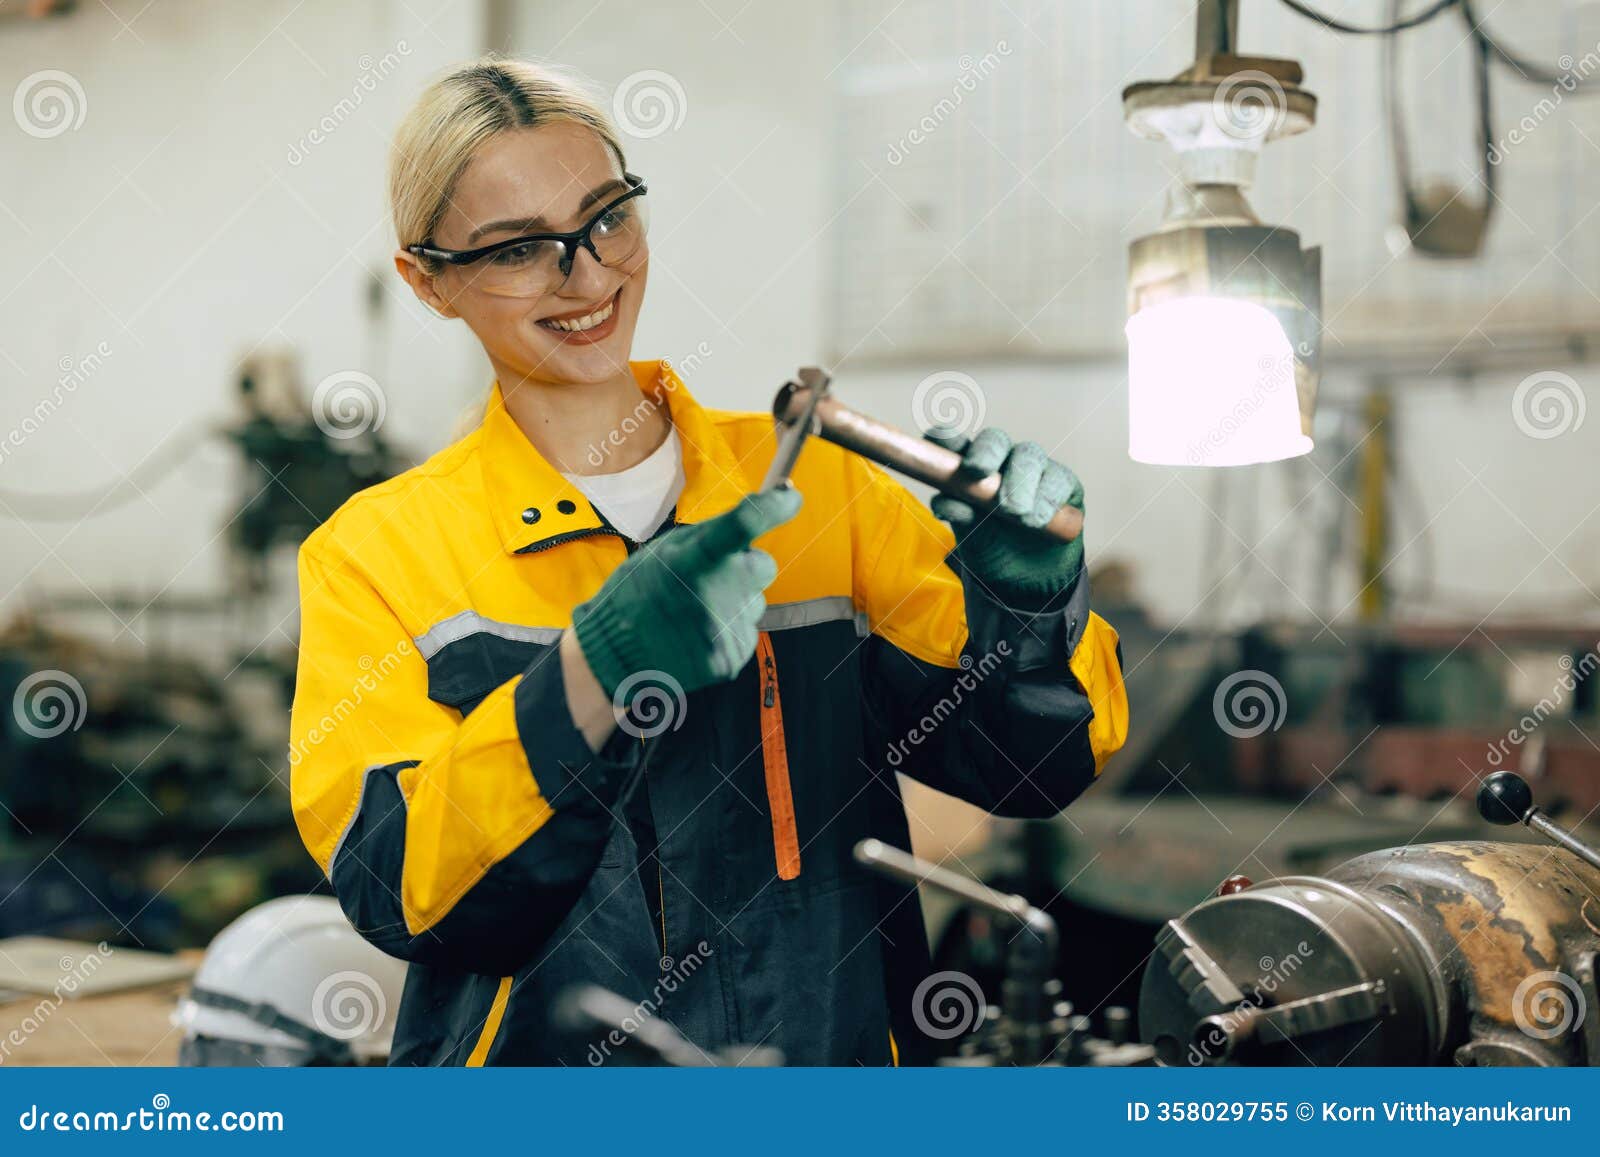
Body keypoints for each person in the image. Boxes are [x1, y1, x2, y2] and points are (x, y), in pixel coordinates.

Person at [289, 57, 1128, 1066]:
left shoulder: (823, 497)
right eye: (519, 249)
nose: (588, 274)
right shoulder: (377, 556)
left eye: (606, 217)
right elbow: (402, 890)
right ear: (427, 282)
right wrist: (585, 677)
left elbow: (1032, 770)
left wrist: (1025, 605)